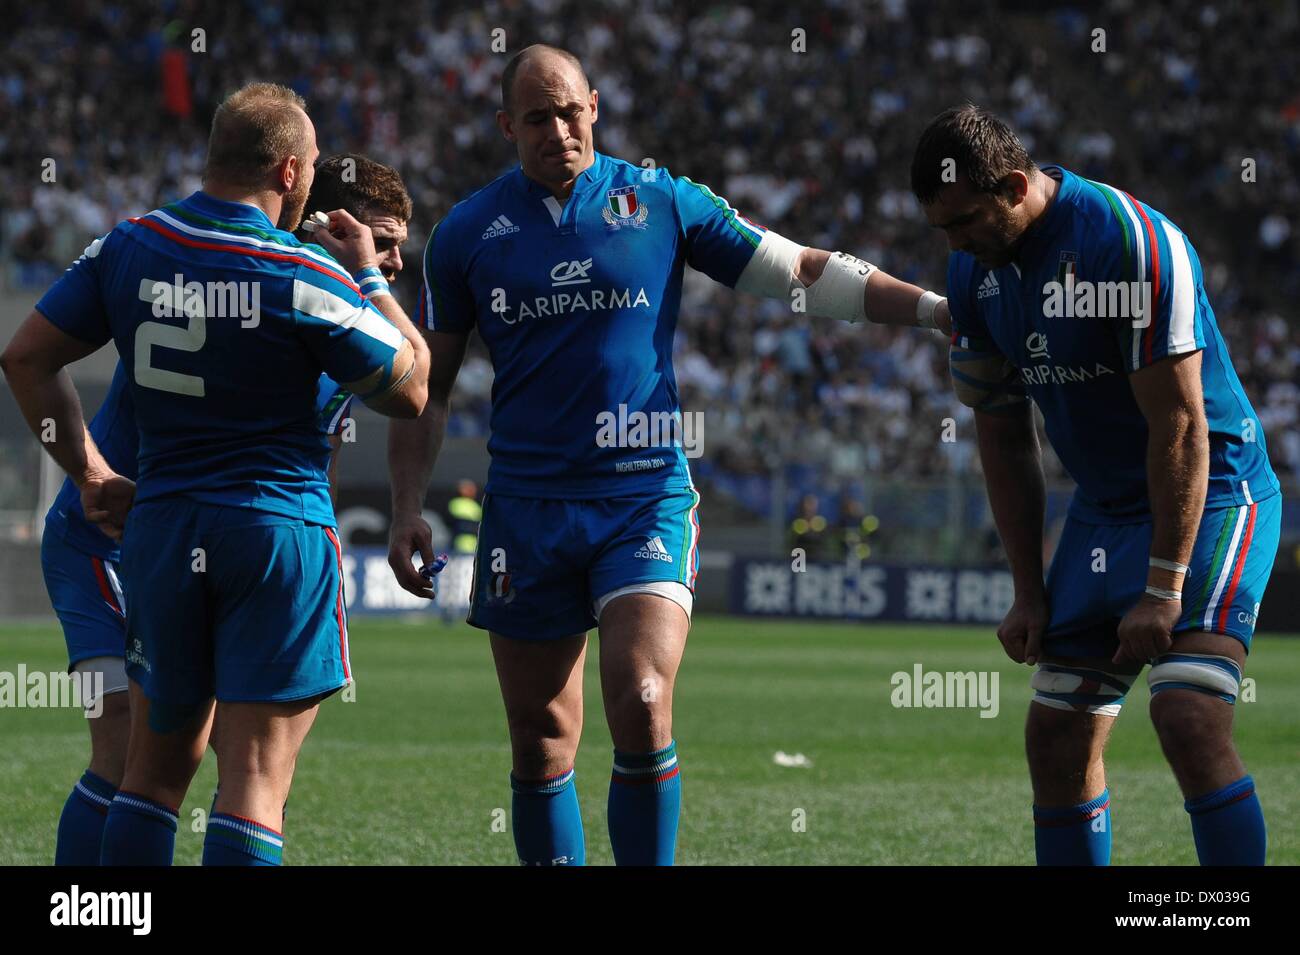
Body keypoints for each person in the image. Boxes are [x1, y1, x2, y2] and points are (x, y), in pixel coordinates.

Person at [387, 44, 951, 865]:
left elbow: (796, 270)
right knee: (542, 739)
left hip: (642, 493)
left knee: (644, 700)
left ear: (595, 107)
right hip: (528, 503)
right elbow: (424, 387)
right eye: (536, 117)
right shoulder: (468, 232)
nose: (557, 130)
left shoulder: (659, 199)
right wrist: (407, 505)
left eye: (570, 110)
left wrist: (935, 311)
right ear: (508, 124)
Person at [1, 82, 429, 865]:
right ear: (299, 185)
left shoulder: (137, 245)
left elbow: (28, 353)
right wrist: (93, 477)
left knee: (154, 771)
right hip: (144, 531)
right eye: (379, 239)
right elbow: (413, 388)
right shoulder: (310, 281)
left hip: (163, 528)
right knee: (233, 773)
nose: (393, 260)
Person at [912, 104, 1280, 865]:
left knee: (1185, 714)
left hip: (1210, 494)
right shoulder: (973, 272)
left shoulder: (1126, 242)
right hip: (1104, 510)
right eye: (942, 229)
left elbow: (1179, 427)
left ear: (1015, 185)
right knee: (1055, 735)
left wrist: (1164, 585)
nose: (956, 245)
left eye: (968, 221)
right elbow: (1002, 432)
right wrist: (1027, 588)